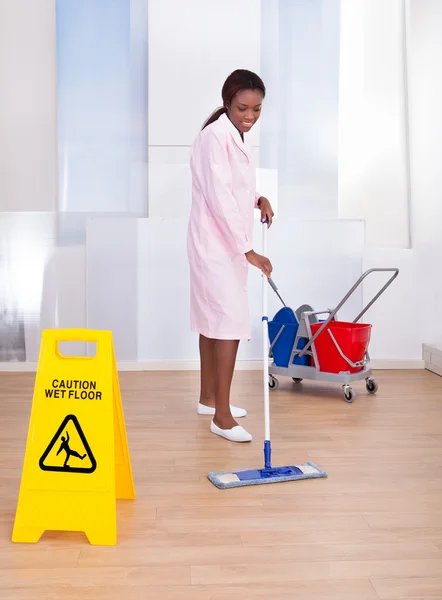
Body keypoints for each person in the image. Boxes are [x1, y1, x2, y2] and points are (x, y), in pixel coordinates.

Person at [187, 69, 274, 443]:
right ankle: (221, 417)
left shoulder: (236, 136)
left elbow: (234, 188)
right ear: (227, 103)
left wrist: (259, 199)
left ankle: (209, 399)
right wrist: (248, 250)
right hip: (216, 245)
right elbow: (218, 198)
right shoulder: (214, 137)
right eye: (242, 108)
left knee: (214, 321)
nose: (250, 116)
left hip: (225, 243)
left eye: (256, 109)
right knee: (228, 326)